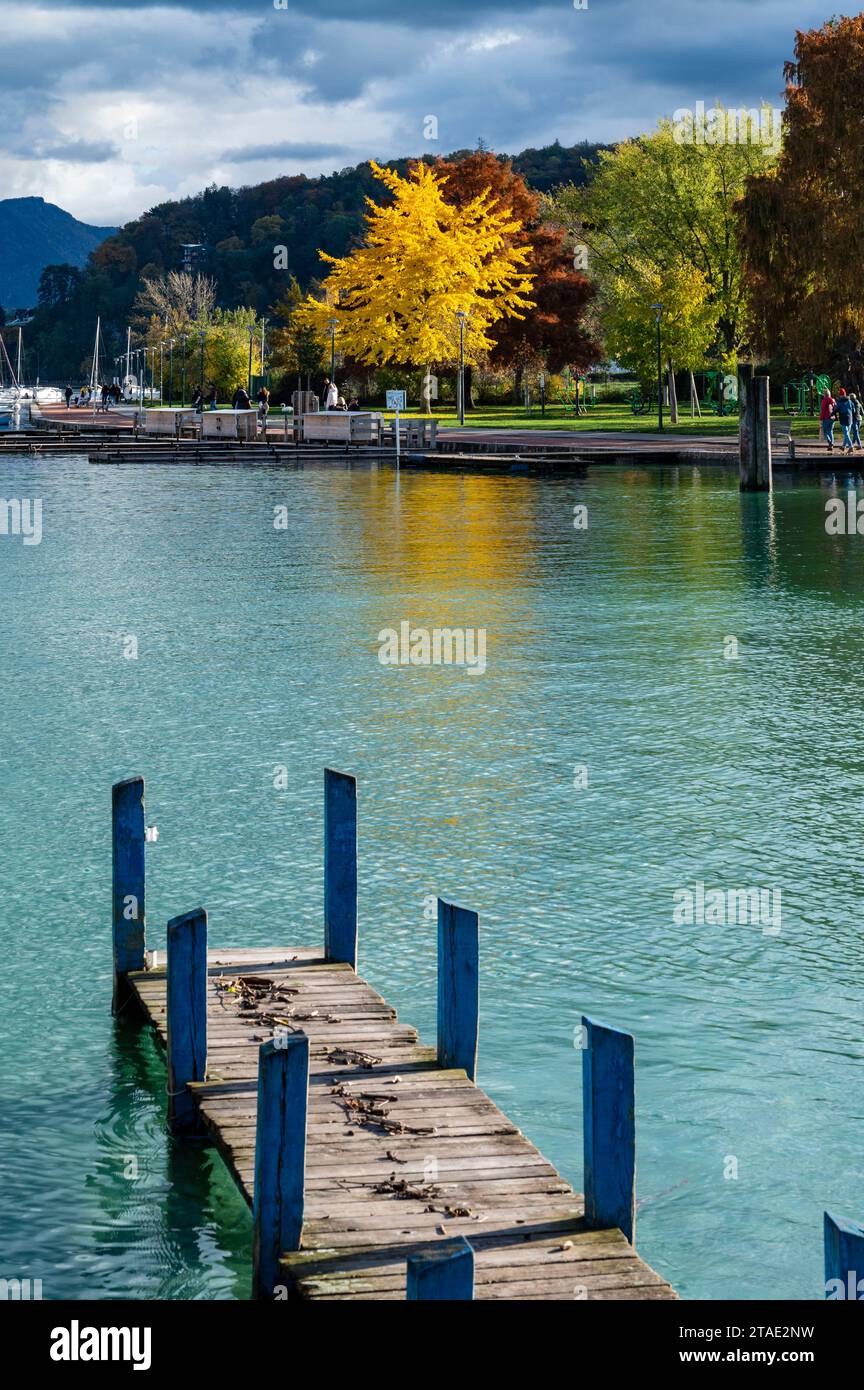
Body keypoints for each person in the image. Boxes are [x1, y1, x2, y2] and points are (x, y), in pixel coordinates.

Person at [835, 388, 854, 454]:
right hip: (850, 418)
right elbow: (853, 409)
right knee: (847, 433)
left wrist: (832, 414)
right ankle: (843, 446)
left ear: (840, 395)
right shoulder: (849, 400)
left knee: (846, 433)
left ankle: (851, 447)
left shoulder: (840, 401)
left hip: (843, 418)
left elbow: (836, 409)